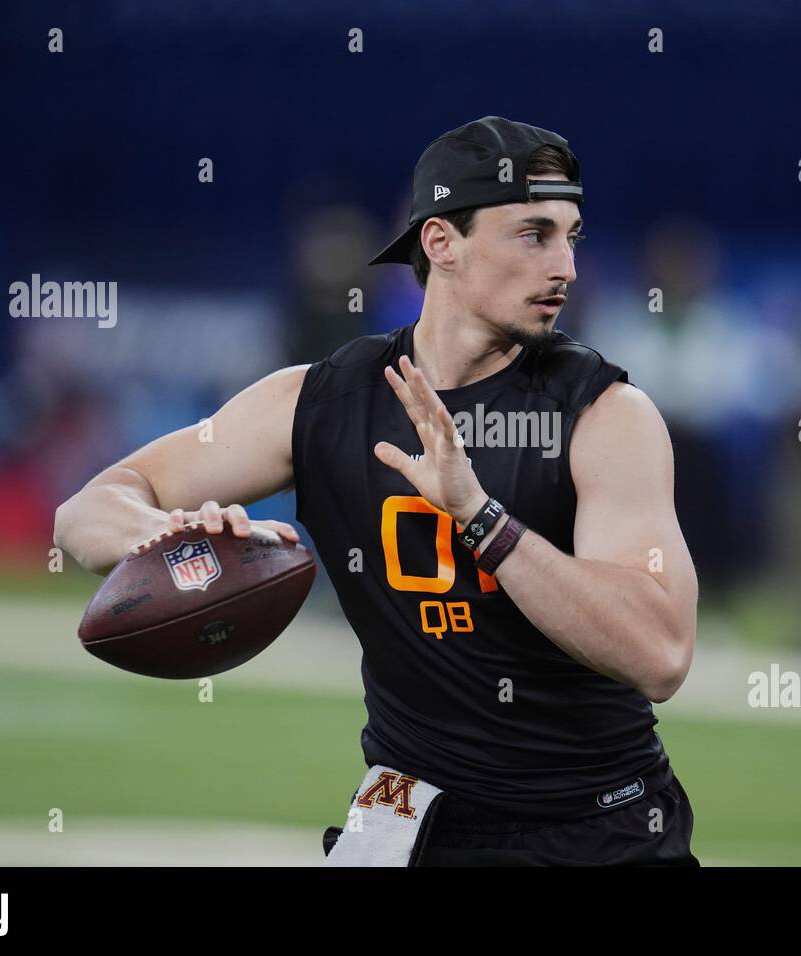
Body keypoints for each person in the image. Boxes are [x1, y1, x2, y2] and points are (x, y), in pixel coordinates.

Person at [53, 116, 700, 866]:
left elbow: (661, 653)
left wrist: (481, 518)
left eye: (571, 236)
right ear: (441, 244)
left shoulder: (605, 415)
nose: (566, 267)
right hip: (407, 819)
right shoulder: (323, 400)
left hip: (597, 829)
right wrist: (164, 542)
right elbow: (86, 509)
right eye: (534, 234)